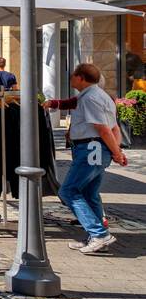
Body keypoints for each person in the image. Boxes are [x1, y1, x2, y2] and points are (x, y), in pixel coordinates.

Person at [44, 63, 126, 254]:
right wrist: (117, 151)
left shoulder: (91, 98)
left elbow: (104, 129)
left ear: (81, 77)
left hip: (91, 148)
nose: (70, 77)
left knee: (69, 192)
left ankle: (99, 234)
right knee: (90, 194)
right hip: (95, 149)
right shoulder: (99, 96)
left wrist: (117, 153)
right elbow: (113, 129)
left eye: (73, 75)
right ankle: (97, 237)